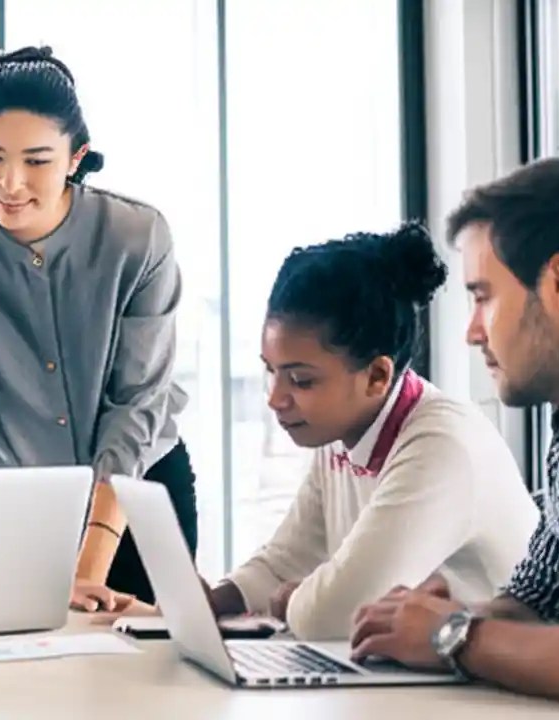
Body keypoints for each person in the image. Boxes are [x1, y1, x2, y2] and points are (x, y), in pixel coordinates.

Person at [0, 45, 196, 610]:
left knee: (147, 681)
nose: (10, 183)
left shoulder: (137, 239)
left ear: (75, 156)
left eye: (36, 160)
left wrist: (87, 568)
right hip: (19, 503)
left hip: (136, 495)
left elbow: (135, 406)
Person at [202, 223, 537, 640]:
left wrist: (294, 600)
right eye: (271, 372)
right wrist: (210, 602)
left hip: (499, 697)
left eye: (301, 381)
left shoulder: (441, 445)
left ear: (378, 375)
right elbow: (286, 561)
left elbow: (340, 614)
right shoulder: (341, 435)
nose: (275, 399)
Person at [351, 158, 559, 701]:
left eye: (483, 296)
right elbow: (540, 598)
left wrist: (455, 635)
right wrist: (434, 615)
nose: (472, 333)